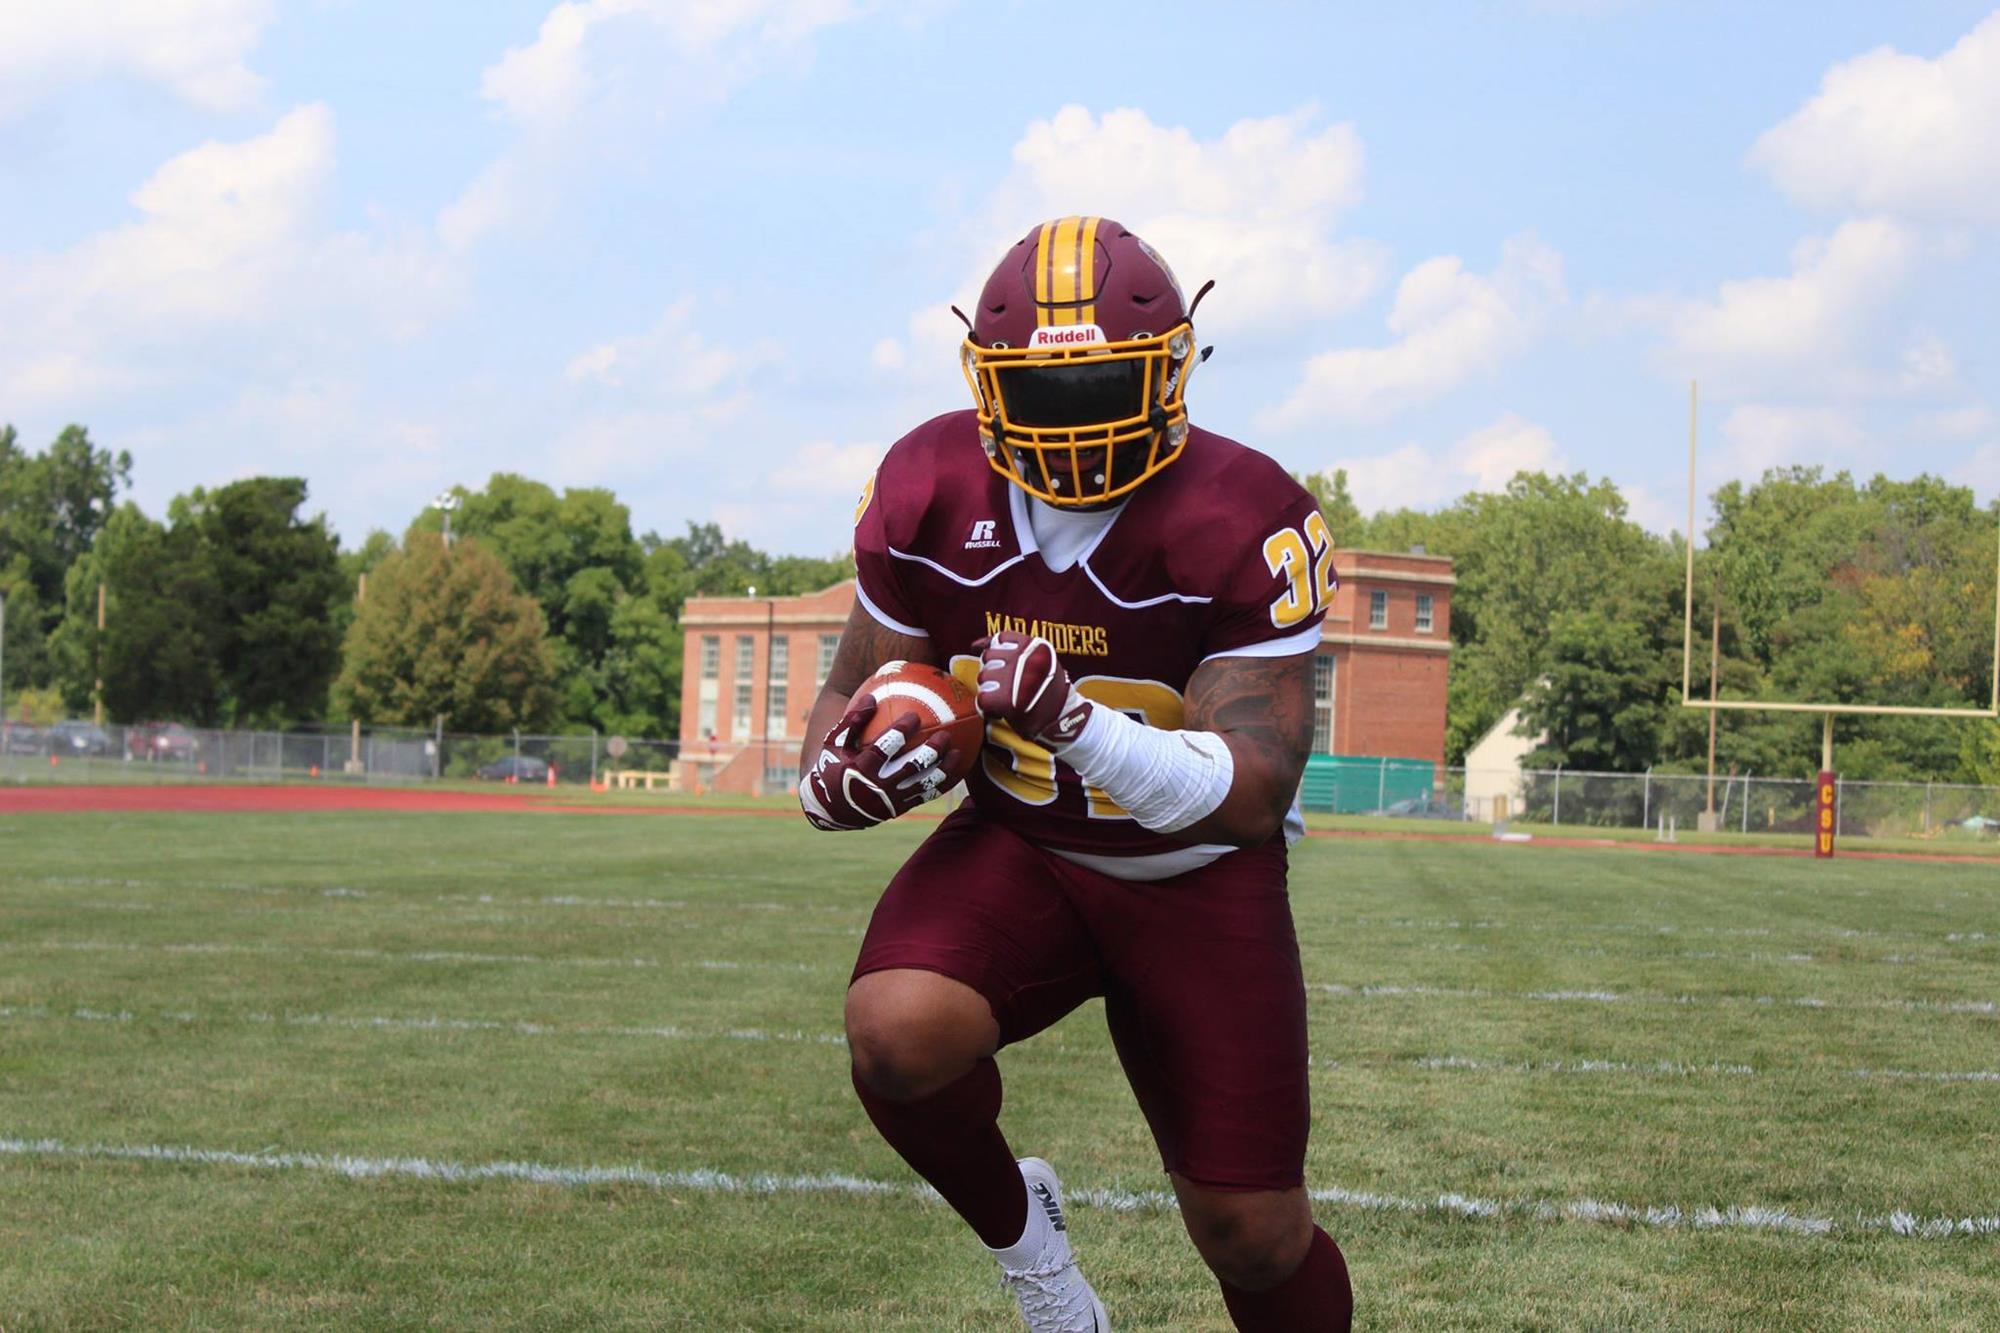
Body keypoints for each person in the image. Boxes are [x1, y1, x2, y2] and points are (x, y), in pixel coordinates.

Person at [797, 216, 1353, 1332]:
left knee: (1249, 1233)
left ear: (1171, 369)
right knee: (896, 1031)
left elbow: (1254, 793)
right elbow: (850, 687)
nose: (1074, 422)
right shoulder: (927, 485)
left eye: (1101, 384)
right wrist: (830, 781)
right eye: (1040, 391)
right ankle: (1037, 1260)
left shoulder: (1243, 513)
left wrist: (1073, 722)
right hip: (1023, 847)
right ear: (984, 382)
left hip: (1194, 875)